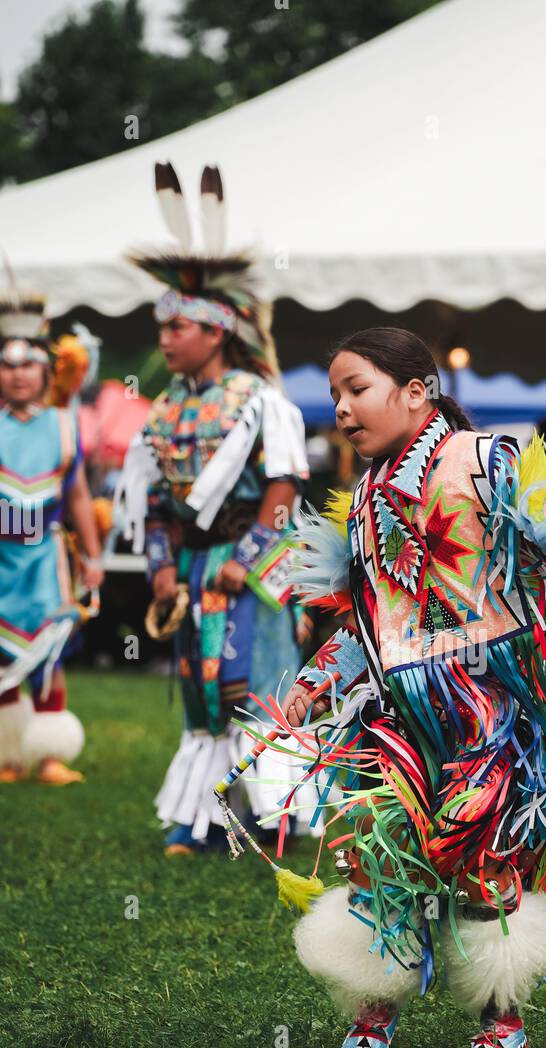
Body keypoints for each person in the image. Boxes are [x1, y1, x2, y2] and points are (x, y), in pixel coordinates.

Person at [271, 327, 546, 1048]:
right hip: (397, 709)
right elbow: (371, 621)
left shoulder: (488, 463)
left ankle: (503, 1022)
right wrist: (310, 683)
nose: (341, 409)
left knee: (481, 859)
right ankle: (376, 1006)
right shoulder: (364, 497)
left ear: (416, 391)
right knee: (377, 853)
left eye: (356, 389)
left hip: (485, 711)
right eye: (334, 394)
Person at [117, 163, 313, 855]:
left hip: (250, 568)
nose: (166, 338)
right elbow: (158, 503)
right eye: (162, 326)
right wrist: (162, 570)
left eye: (178, 327)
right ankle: (200, 819)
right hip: (196, 568)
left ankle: (275, 815)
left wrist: (252, 561)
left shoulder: (260, 401)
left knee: (255, 685)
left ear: (217, 329)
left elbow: (285, 491)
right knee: (203, 692)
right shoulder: (165, 408)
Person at [0, 294, 103, 783]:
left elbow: (79, 495)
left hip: (45, 554)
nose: (18, 375)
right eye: (7, 365)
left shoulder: (64, 425)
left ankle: (48, 756)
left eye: (29, 365)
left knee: (49, 649)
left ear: (47, 372)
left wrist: (95, 555)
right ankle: (7, 755)